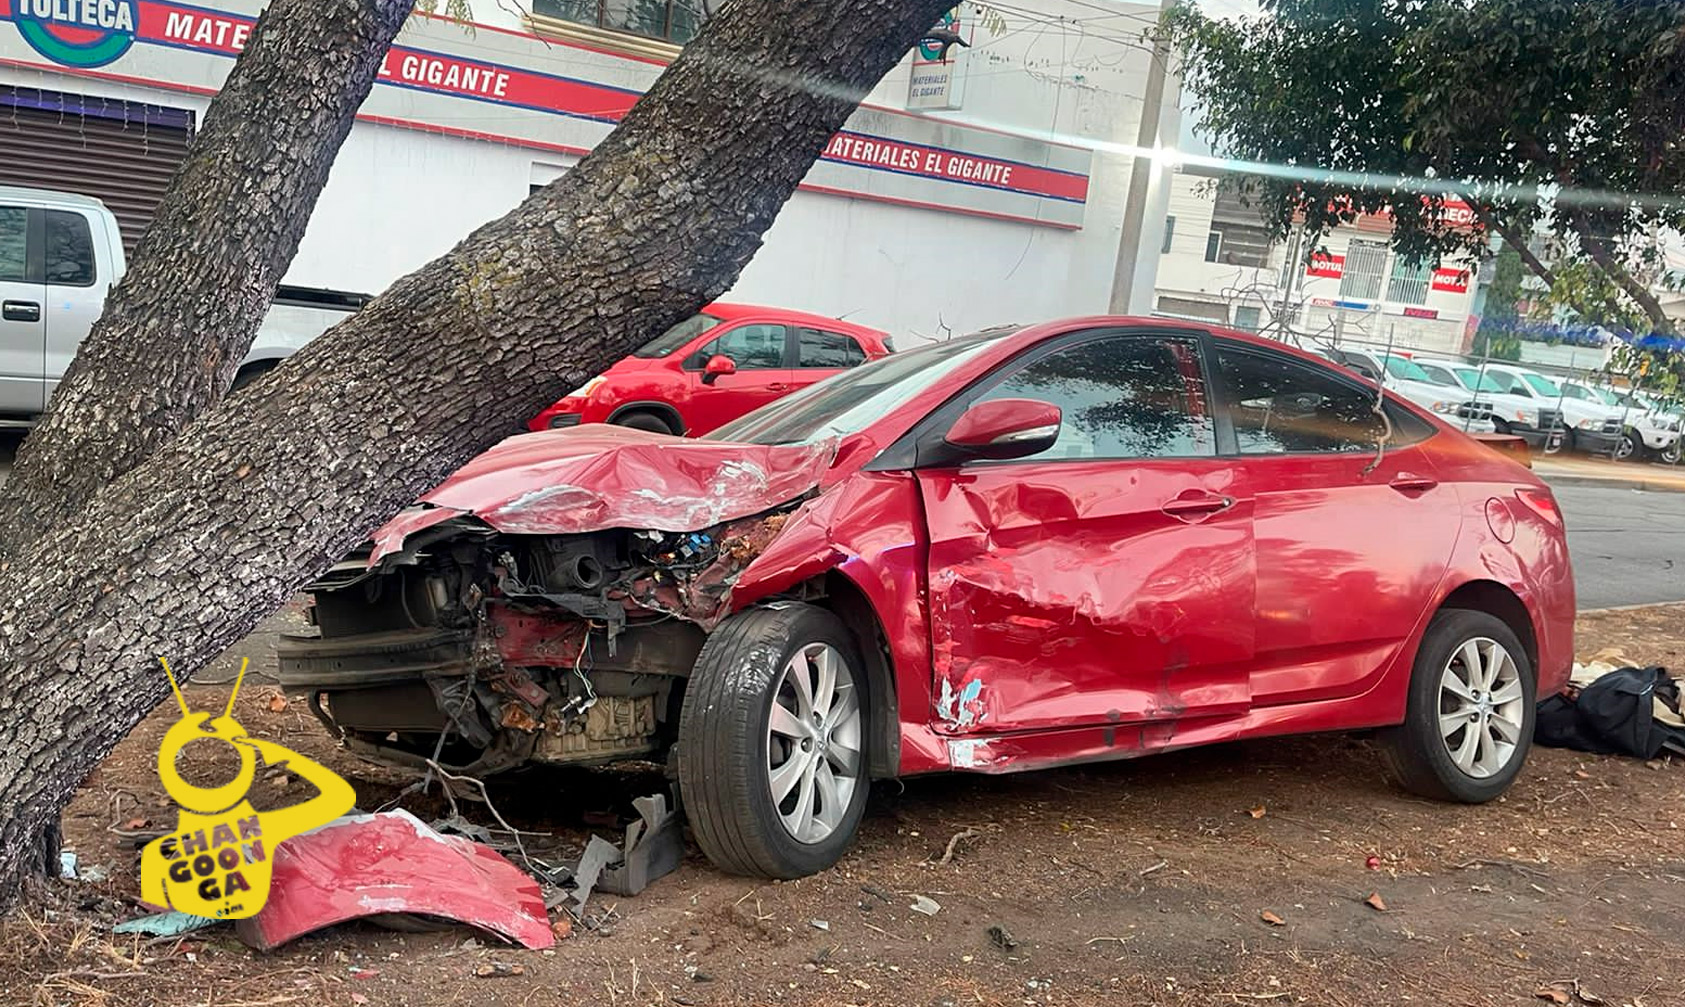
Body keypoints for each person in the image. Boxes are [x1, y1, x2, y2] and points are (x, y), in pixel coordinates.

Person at [139, 658, 355, 920]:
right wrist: (286, 758)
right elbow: (340, 798)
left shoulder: (157, 856)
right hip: (256, 915)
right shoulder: (267, 828)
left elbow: (154, 909)